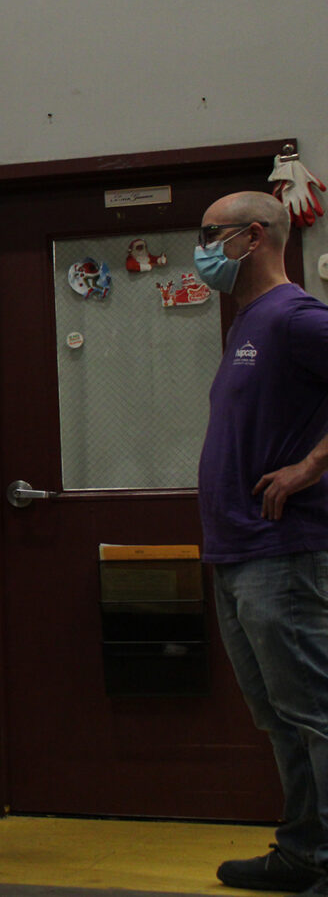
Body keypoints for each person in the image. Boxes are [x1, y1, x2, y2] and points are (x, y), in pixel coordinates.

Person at [196, 191, 328, 897]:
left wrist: (311, 465)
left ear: (254, 237)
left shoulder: (294, 317)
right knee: (282, 717)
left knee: (315, 712)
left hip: (284, 550)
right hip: (238, 551)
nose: (202, 247)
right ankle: (306, 852)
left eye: (209, 234)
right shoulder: (248, 323)